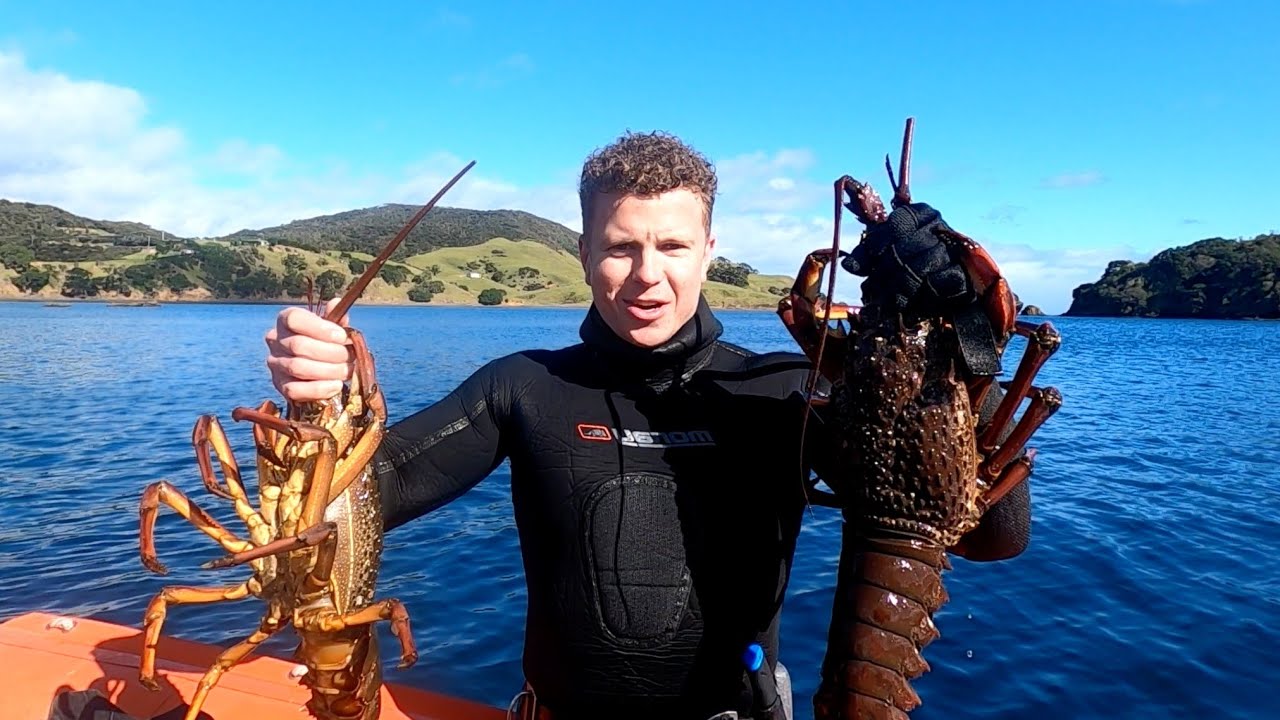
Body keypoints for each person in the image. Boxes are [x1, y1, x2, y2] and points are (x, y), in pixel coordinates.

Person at [263, 131, 1031, 720]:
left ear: (709, 250)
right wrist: (319, 400)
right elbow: (376, 487)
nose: (647, 275)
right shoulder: (522, 385)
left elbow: (986, 535)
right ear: (583, 250)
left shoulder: (786, 391)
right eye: (621, 247)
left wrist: (970, 350)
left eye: (672, 245)